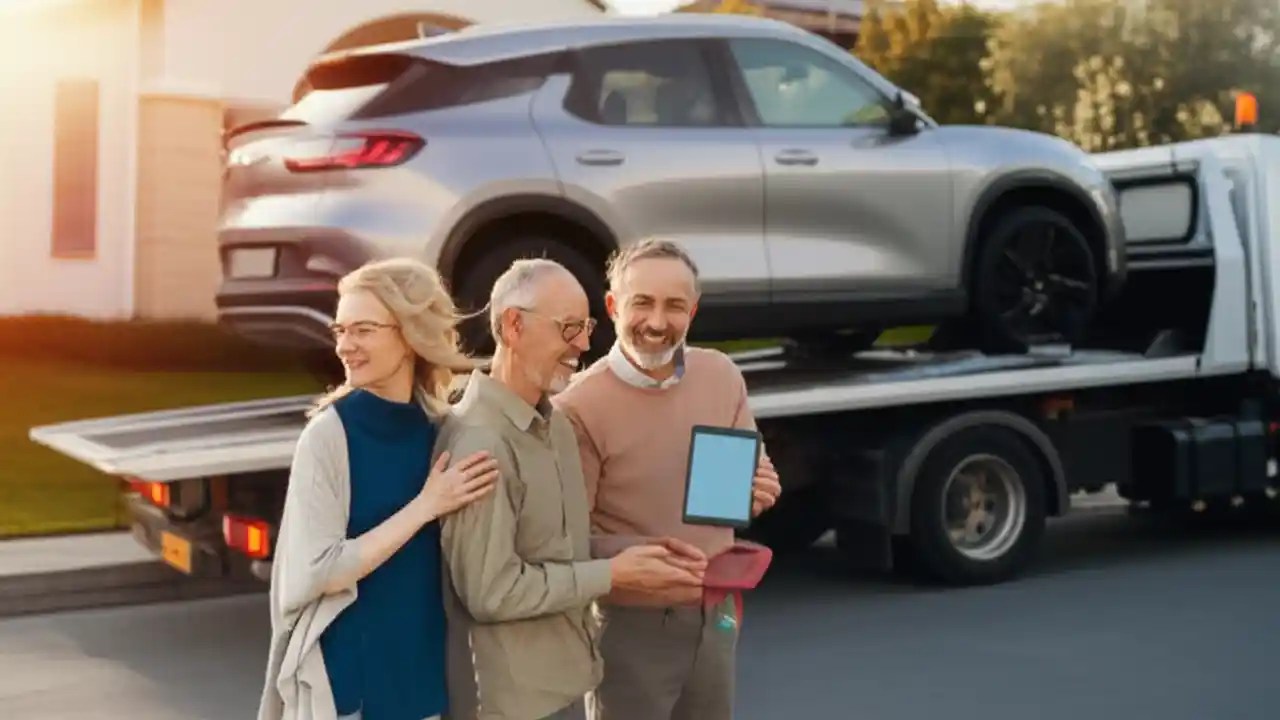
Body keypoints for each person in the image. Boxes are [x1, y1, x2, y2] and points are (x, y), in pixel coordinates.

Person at [434, 258, 709, 720]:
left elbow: (554, 549)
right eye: (568, 328)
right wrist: (612, 574)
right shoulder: (480, 443)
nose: (583, 344)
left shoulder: (556, 426)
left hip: (567, 687)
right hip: (512, 706)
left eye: (585, 327)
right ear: (514, 325)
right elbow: (491, 592)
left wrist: (634, 553)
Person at [258, 258, 501, 720]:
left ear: (409, 336)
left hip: (426, 687)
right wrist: (425, 506)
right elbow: (319, 570)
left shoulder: (443, 429)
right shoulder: (329, 437)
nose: (344, 345)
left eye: (363, 330)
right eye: (340, 330)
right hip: (351, 692)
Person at [552, 239, 784, 720]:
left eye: (674, 306)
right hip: (629, 628)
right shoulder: (578, 407)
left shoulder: (721, 375)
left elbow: (742, 479)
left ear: (692, 311)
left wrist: (756, 490)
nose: (658, 322)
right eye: (642, 302)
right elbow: (564, 543)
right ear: (612, 306)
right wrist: (634, 559)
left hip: (716, 613)